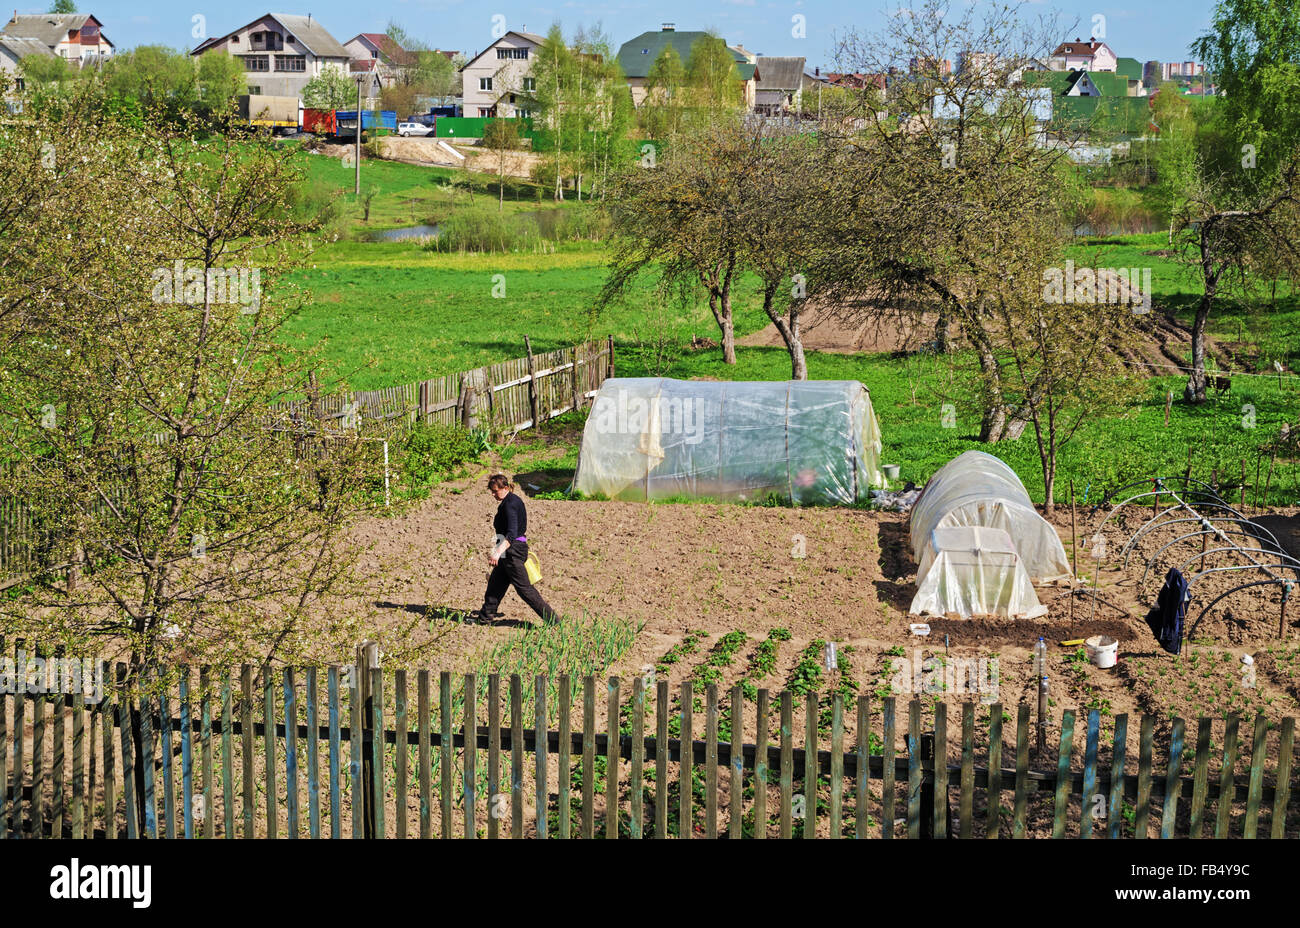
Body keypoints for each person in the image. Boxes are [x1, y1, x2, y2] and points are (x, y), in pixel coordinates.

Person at [470, 474, 558, 626]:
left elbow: (511, 534)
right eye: (491, 491)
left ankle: (553, 621)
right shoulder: (512, 500)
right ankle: (484, 618)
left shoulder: (510, 504)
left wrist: (497, 552)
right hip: (510, 550)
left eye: (495, 491)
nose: (492, 494)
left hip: (512, 552)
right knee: (495, 585)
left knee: (525, 589)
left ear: (505, 488)